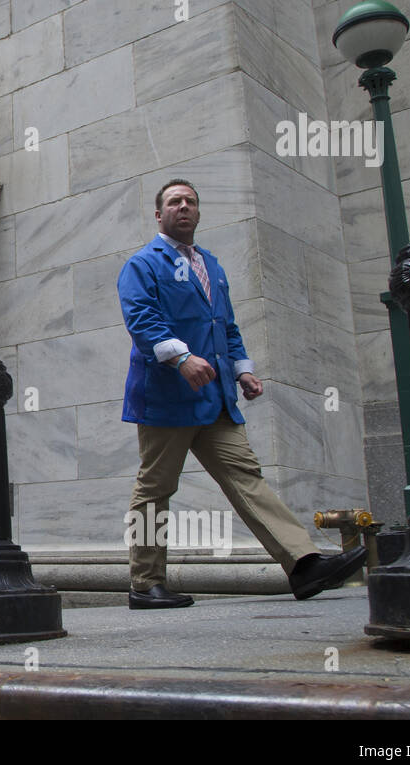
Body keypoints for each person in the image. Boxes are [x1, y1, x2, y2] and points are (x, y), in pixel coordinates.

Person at [117, 179, 366, 609]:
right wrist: (181, 358)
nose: (184, 207)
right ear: (159, 215)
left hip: (215, 398)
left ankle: (303, 565)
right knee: (155, 489)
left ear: (198, 212)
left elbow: (225, 326)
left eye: (191, 201)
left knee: (247, 477)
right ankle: (145, 583)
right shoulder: (143, 264)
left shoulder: (211, 265)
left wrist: (243, 370)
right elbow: (141, 320)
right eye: (174, 202)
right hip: (166, 399)